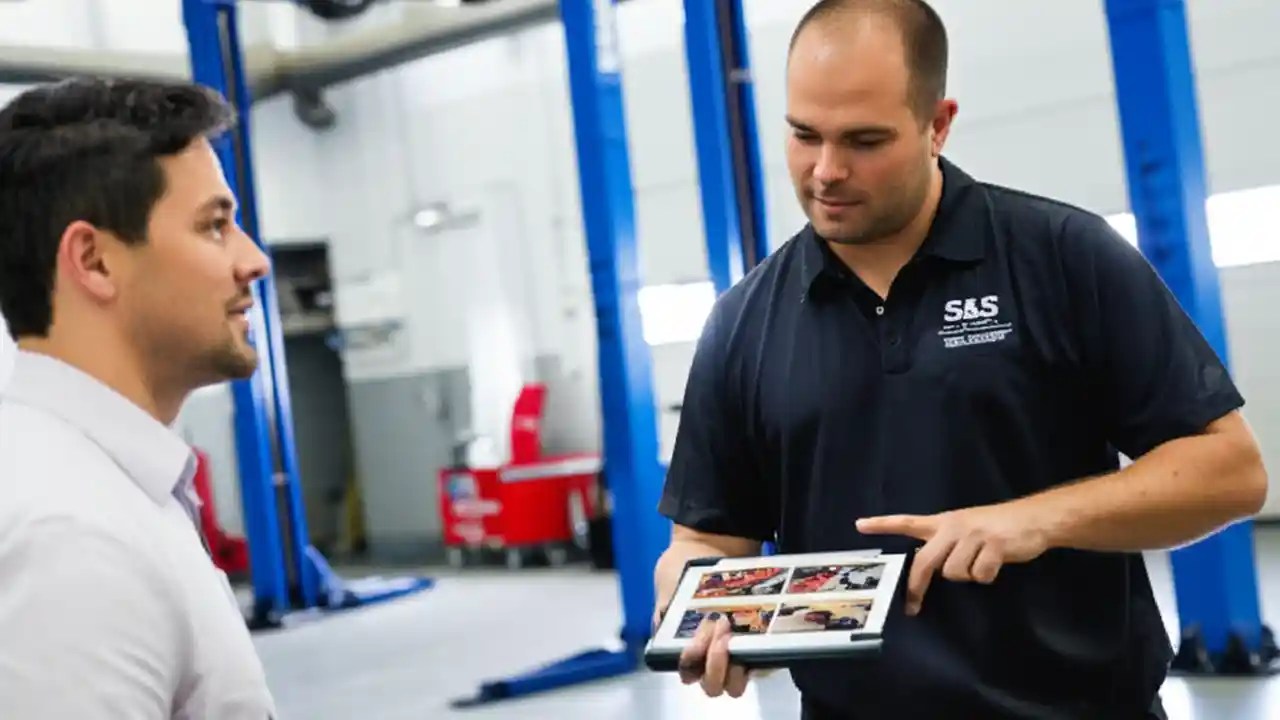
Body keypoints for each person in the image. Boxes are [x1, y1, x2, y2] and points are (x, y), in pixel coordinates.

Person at [653, 1, 1268, 718]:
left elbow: (1231, 471)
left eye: (865, 141)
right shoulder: (742, 323)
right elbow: (704, 536)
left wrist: (1033, 520)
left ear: (938, 125)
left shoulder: (1062, 258)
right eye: (804, 135)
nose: (826, 171)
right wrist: (699, 610)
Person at [0, 78, 277, 718]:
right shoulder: (71, 536)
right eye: (215, 226)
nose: (254, 260)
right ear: (95, 261)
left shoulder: (106, 486)